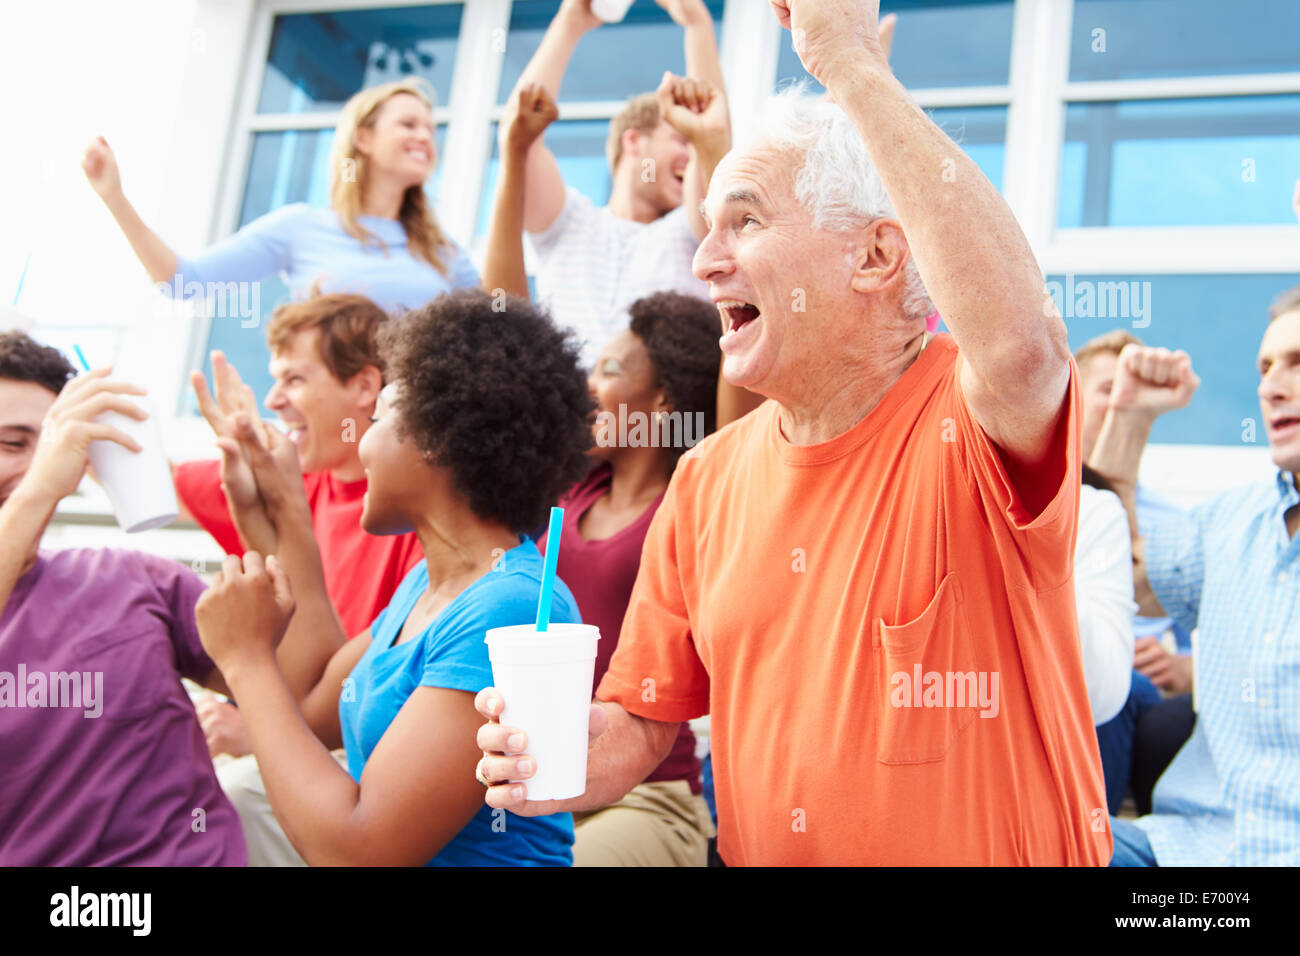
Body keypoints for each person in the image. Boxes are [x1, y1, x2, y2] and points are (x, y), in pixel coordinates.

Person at [475, 0, 1110, 866]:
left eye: (745, 221)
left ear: (876, 258)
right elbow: (643, 716)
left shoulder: (972, 419)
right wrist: (566, 753)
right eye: (708, 230)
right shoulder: (704, 480)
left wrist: (850, 63)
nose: (704, 262)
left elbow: (1022, 341)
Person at [193, 288, 593, 866]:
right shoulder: (428, 590)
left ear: (435, 436)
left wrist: (244, 661)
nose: (364, 444)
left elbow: (360, 850)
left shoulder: (510, 604)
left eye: (379, 416)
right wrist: (277, 519)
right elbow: (308, 710)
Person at [484, 83, 719, 865]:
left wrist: (711, 148)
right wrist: (515, 154)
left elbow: (739, 395)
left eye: (609, 368)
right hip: (547, 784)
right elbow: (503, 325)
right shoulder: (570, 490)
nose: (586, 381)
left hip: (650, 797)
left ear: (659, 397)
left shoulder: (697, 497)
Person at [0, 332, 244, 865]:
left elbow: (299, 695)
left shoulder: (136, 581)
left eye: (37, 444)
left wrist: (273, 518)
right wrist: (38, 488)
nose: (14, 468)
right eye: (15, 445)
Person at [1093, 285, 1300, 866]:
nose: (1270, 386)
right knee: (1004, 833)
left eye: (1297, 363)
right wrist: (1129, 417)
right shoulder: (1232, 522)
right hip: (1184, 852)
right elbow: (1113, 569)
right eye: (1264, 367)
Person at [82, 79, 478, 314]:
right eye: (408, 124)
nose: (425, 137)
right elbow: (187, 283)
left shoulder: (443, 253)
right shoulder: (301, 228)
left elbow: (500, 329)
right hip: (330, 438)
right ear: (364, 138)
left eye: (431, 128)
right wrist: (116, 199)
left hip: (420, 443)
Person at [500, 0, 728, 364]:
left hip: (658, 416)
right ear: (634, 141)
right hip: (564, 411)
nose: (691, 154)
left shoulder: (691, 232)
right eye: (679, 140)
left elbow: (714, 137)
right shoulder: (568, 222)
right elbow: (518, 137)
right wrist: (570, 22)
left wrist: (697, 23)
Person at [1076, 329, 1195, 815]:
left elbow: (1199, 650)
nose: (1116, 401)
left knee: (1123, 682)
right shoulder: (1025, 499)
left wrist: (1183, 670)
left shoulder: (1176, 523)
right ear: (1071, 399)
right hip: (1059, 672)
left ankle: (1087, 834)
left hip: (1135, 695)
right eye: (1106, 389)